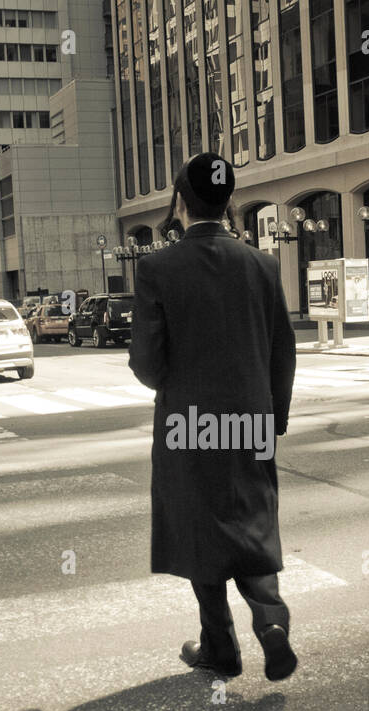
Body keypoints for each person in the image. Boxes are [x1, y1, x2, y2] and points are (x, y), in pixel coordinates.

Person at [129, 152, 298, 682]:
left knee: (202, 529)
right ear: (229, 202)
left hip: (187, 424)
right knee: (252, 519)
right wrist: (274, 420)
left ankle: (220, 648)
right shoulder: (263, 264)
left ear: (181, 200)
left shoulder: (157, 268)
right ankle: (271, 621)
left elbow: (147, 364)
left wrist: (175, 384)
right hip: (251, 421)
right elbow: (282, 352)